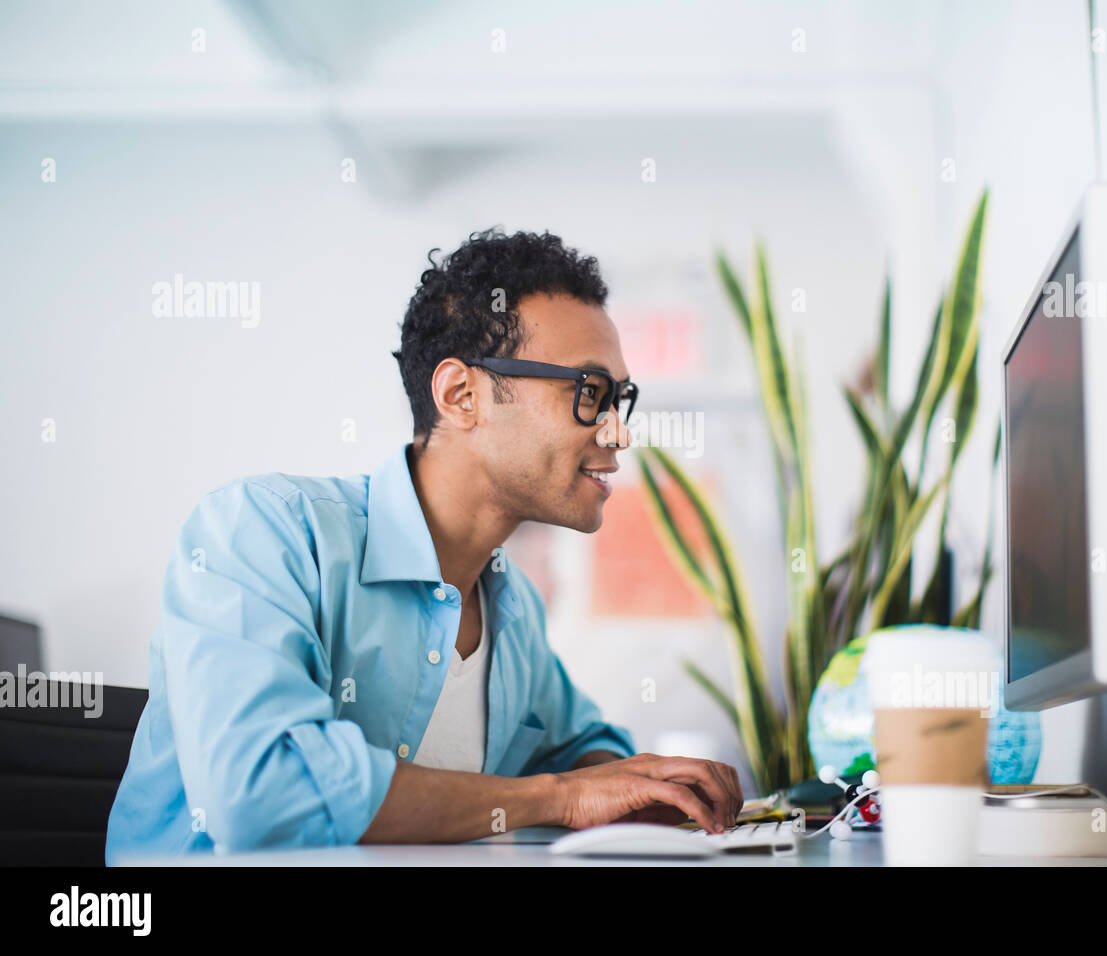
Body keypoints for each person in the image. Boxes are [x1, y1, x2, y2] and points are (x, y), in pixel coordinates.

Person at [105, 228, 742, 863]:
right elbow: (263, 794)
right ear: (461, 395)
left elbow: (579, 747)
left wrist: (636, 786)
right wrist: (559, 797)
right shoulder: (262, 533)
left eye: (619, 400)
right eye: (589, 393)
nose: (617, 434)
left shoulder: (510, 603)